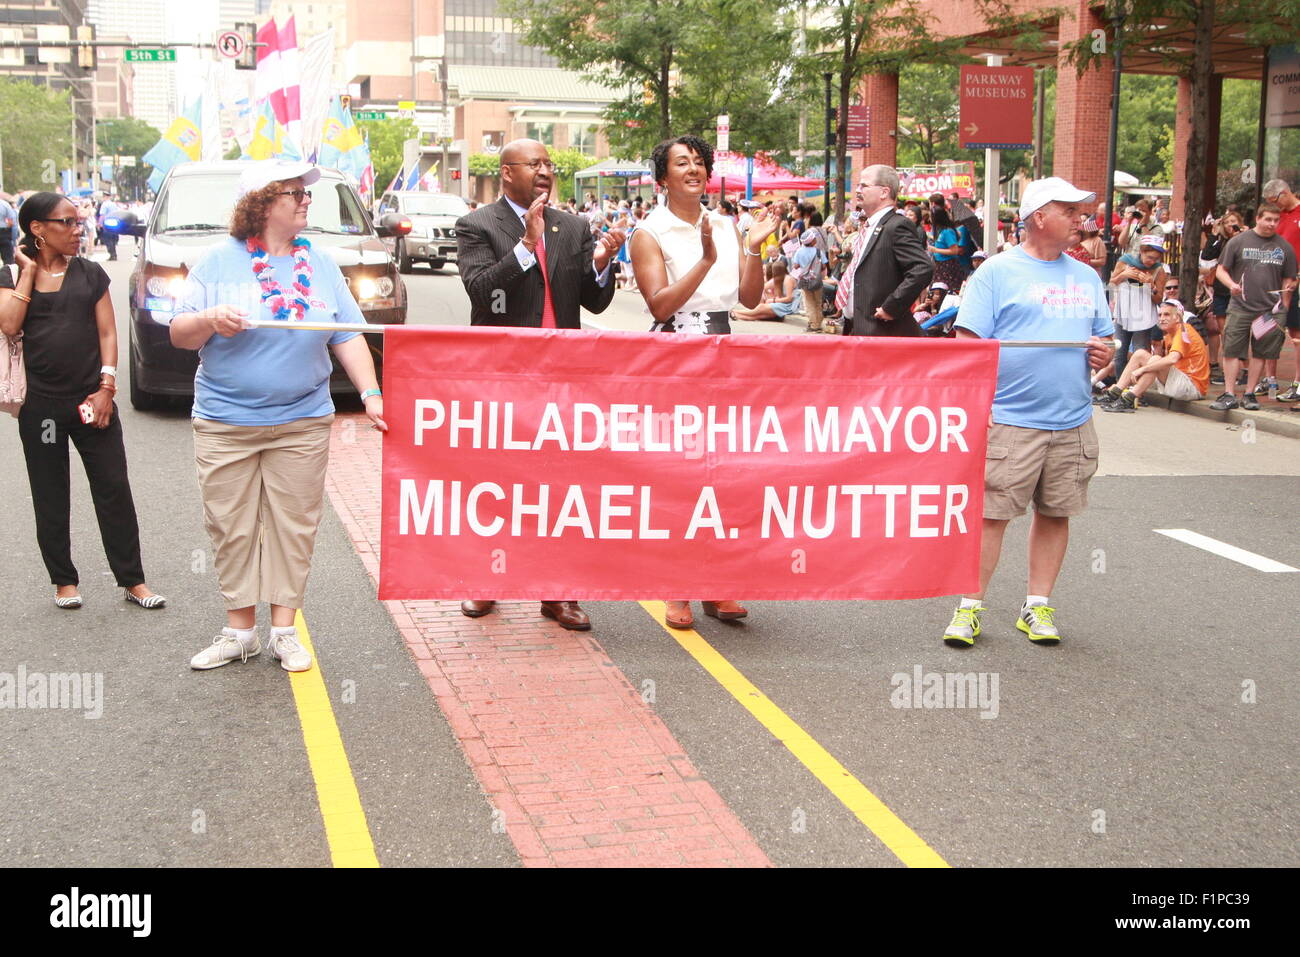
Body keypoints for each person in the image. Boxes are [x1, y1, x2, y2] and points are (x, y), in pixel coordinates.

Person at [168, 160, 385, 672]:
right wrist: (208, 320)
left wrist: (371, 393)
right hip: (226, 420)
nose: (307, 200)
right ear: (262, 204)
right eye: (295, 194)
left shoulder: (322, 264)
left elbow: (347, 334)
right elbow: (179, 333)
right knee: (231, 526)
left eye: (306, 194)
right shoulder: (218, 262)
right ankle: (239, 631)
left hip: (303, 419)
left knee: (294, 525)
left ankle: (284, 631)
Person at [454, 139, 624, 630]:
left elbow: (593, 304)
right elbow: (484, 292)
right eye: (535, 164)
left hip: (563, 380)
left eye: (549, 164)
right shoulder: (478, 225)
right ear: (507, 173)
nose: (545, 171)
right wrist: (526, 245)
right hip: (504, 377)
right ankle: (487, 580)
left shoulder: (571, 226)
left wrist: (599, 263)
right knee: (498, 481)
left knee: (560, 484)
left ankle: (557, 591)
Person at [940, 177, 1114, 647]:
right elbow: (968, 345)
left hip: (1072, 418)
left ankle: (1038, 606)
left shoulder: (1086, 276)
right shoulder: (996, 272)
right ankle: (969, 606)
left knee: (1056, 513)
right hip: (1011, 417)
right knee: (992, 515)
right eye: (1071, 211)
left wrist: (1106, 355)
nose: (1081, 219)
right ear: (1039, 216)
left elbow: (1105, 340)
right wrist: (979, 405)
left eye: (1082, 212)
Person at [629, 134, 776, 629]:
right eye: (681, 163)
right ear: (662, 177)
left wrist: (752, 250)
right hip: (675, 354)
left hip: (725, 351)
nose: (693, 169)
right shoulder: (650, 231)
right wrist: (708, 260)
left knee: (726, 471)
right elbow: (660, 304)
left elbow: (750, 299)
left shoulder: (727, 224)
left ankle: (717, 583)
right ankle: (675, 586)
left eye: (699, 162)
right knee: (681, 473)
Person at [0, 191, 165, 611]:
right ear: (38, 229)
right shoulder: (10, 276)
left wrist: (107, 388)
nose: (78, 230)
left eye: (78, 222)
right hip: (42, 408)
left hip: (91, 401)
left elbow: (108, 333)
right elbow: (9, 323)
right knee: (50, 493)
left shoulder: (90, 273)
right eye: (67, 223)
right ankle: (64, 582)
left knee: (113, 488)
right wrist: (27, 272)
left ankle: (133, 580)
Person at [1211, 201, 1297, 411]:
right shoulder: (1239, 242)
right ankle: (1229, 393)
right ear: (1258, 218)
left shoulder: (1284, 247)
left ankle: (1250, 393)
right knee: (1231, 349)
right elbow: (1221, 269)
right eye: (1268, 219)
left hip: (1267, 311)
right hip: (1241, 306)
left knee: (1260, 352)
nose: (1272, 224)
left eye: (1276, 220)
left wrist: (1283, 308)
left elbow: (1289, 280)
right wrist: (1231, 285)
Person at [834, 165, 933, 337]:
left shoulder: (897, 226)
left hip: (880, 332)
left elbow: (922, 268)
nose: (858, 190)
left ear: (884, 192)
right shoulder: (869, 227)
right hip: (857, 329)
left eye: (864, 186)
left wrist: (892, 307)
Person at [1099, 299, 1209, 412]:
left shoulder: (1183, 330)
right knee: (1140, 354)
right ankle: (1115, 393)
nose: (1162, 318)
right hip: (1181, 381)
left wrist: (1141, 370)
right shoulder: (1170, 334)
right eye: (1160, 315)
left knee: (1155, 360)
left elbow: (1172, 359)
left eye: (1167, 314)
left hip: (1193, 387)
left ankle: (1129, 399)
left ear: (1177, 317)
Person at [1260, 179, 1300, 403]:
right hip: (1273, 281)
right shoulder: (1278, 217)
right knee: (1269, 329)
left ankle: (1298, 382)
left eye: (1274, 201)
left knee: (1296, 334)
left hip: (1294, 282)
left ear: (1284, 193)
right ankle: (1269, 379)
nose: (1274, 206)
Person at [1108, 234, 1166, 383]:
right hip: (1124, 313)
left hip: (1143, 317)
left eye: (1156, 258)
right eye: (1150, 257)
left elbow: (1158, 299)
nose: (1152, 261)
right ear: (1141, 251)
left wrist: (1151, 286)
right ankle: (1119, 387)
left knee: (1140, 352)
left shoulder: (1159, 270)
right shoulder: (1125, 262)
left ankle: (1137, 390)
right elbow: (1111, 284)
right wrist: (1123, 275)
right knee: (1120, 353)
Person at [731, 259, 797, 321]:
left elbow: (789, 298)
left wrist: (773, 300)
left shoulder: (788, 279)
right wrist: (769, 296)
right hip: (780, 304)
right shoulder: (778, 279)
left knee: (761, 307)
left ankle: (734, 312)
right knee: (756, 316)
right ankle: (735, 314)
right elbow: (764, 287)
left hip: (787, 306)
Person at [0, 194, 16, 265]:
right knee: (8, 259)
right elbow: (11, 222)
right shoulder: (5, 204)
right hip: (3, 233)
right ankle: (7, 274)